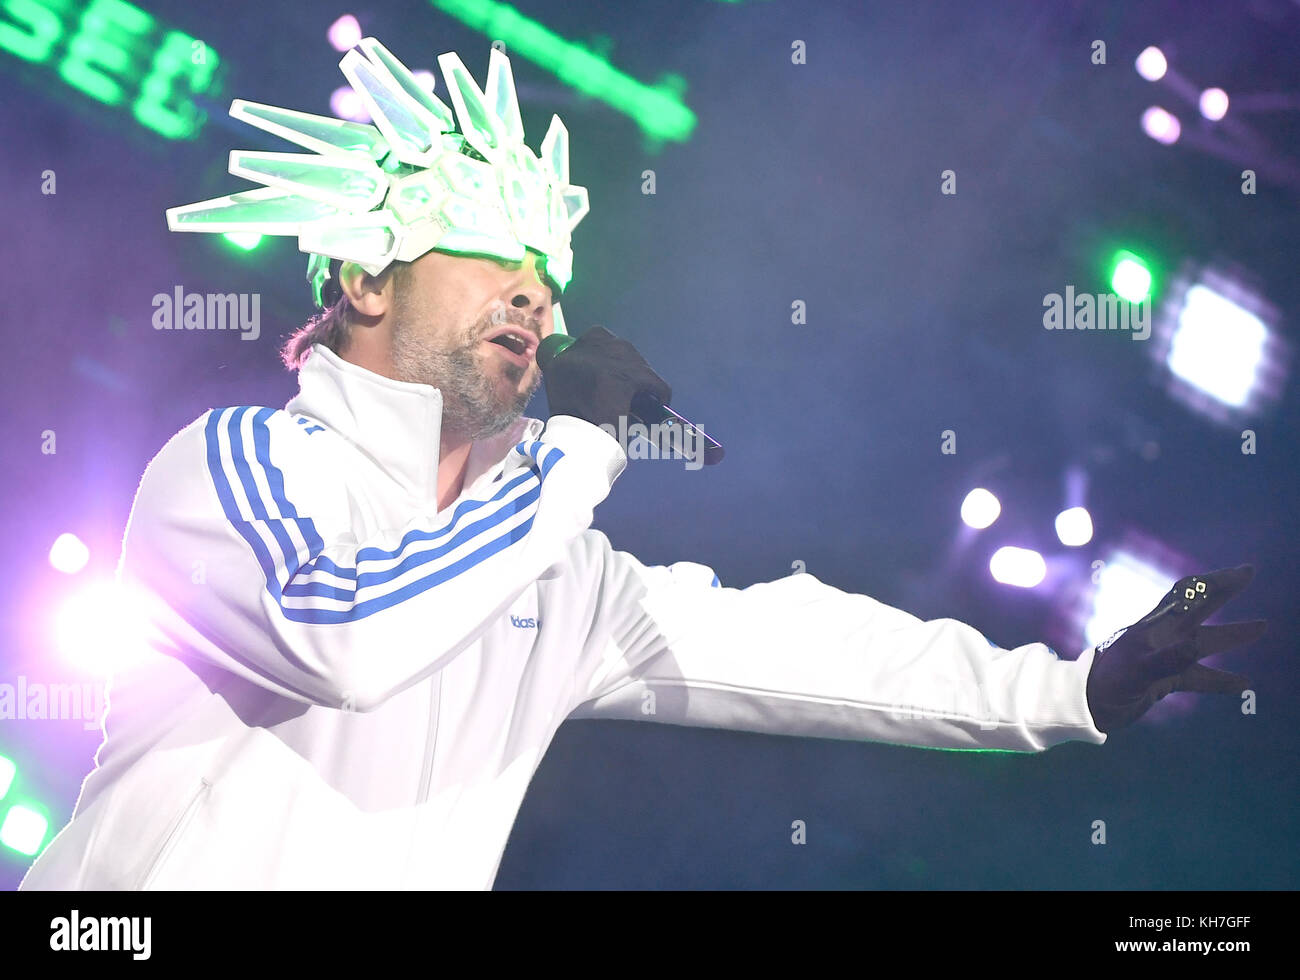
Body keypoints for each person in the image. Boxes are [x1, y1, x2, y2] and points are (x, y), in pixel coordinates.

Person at [19, 40, 1265, 890]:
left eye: (549, 273)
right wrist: (577, 453)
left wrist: (1066, 691)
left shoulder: (556, 571)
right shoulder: (234, 468)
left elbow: (793, 644)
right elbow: (344, 634)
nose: (533, 288)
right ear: (359, 277)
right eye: (489, 248)